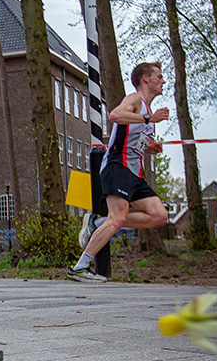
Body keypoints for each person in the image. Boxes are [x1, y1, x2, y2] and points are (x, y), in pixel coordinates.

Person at [68, 62, 170, 282]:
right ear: (145, 78)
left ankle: (96, 223)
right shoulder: (135, 100)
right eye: (159, 76)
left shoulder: (149, 112)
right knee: (117, 218)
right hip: (117, 166)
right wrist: (147, 119)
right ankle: (80, 267)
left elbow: (133, 140)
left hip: (134, 173)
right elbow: (114, 116)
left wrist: (150, 148)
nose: (163, 81)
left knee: (159, 216)